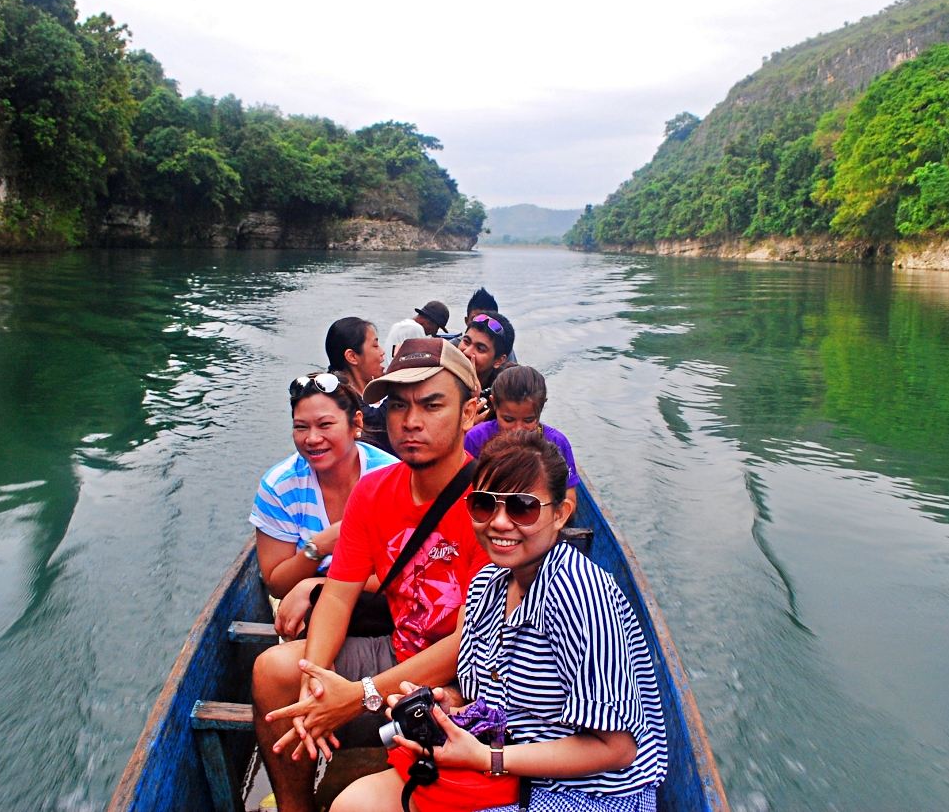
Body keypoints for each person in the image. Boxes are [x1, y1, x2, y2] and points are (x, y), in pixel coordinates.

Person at [331, 432, 669, 812]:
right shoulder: (485, 586)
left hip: (587, 792)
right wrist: (451, 705)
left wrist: (488, 759)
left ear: (559, 514)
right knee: (354, 804)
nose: (500, 523)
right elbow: (484, 697)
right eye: (484, 505)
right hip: (506, 767)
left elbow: (618, 749)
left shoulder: (581, 593)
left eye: (522, 508)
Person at [253, 338, 488, 812]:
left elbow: (471, 644)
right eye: (398, 406)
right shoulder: (374, 491)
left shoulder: (493, 504)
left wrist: (359, 695)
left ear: (469, 414)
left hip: (469, 681)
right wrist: (314, 684)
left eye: (432, 404)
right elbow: (339, 597)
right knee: (275, 671)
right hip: (397, 650)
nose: (411, 421)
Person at [251, 372, 398, 639]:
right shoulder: (279, 486)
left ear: (356, 423)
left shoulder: (391, 478)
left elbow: (406, 575)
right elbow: (277, 585)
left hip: (383, 604)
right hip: (312, 606)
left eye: (325, 424)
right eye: (301, 427)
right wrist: (319, 546)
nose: (312, 439)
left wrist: (318, 586)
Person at [465, 365, 579, 508]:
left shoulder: (557, 443)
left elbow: (569, 501)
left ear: (542, 407)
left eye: (528, 420)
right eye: (508, 420)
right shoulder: (475, 439)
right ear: (494, 404)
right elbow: (466, 494)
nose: (518, 430)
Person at [325, 317, 391, 454]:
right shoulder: (338, 396)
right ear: (352, 357)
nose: (382, 351)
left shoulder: (374, 389)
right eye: (375, 346)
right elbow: (377, 421)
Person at [458, 310, 515, 393]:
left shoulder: (501, 398)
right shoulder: (437, 373)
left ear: (499, 361)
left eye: (480, 349)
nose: (467, 352)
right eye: (466, 341)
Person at [385, 301, 450, 367]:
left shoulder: (399, 325)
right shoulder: (416, 328)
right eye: (436, 328)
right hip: (394, 375)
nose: (435, 332)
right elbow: (423, 361)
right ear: (429, 322)